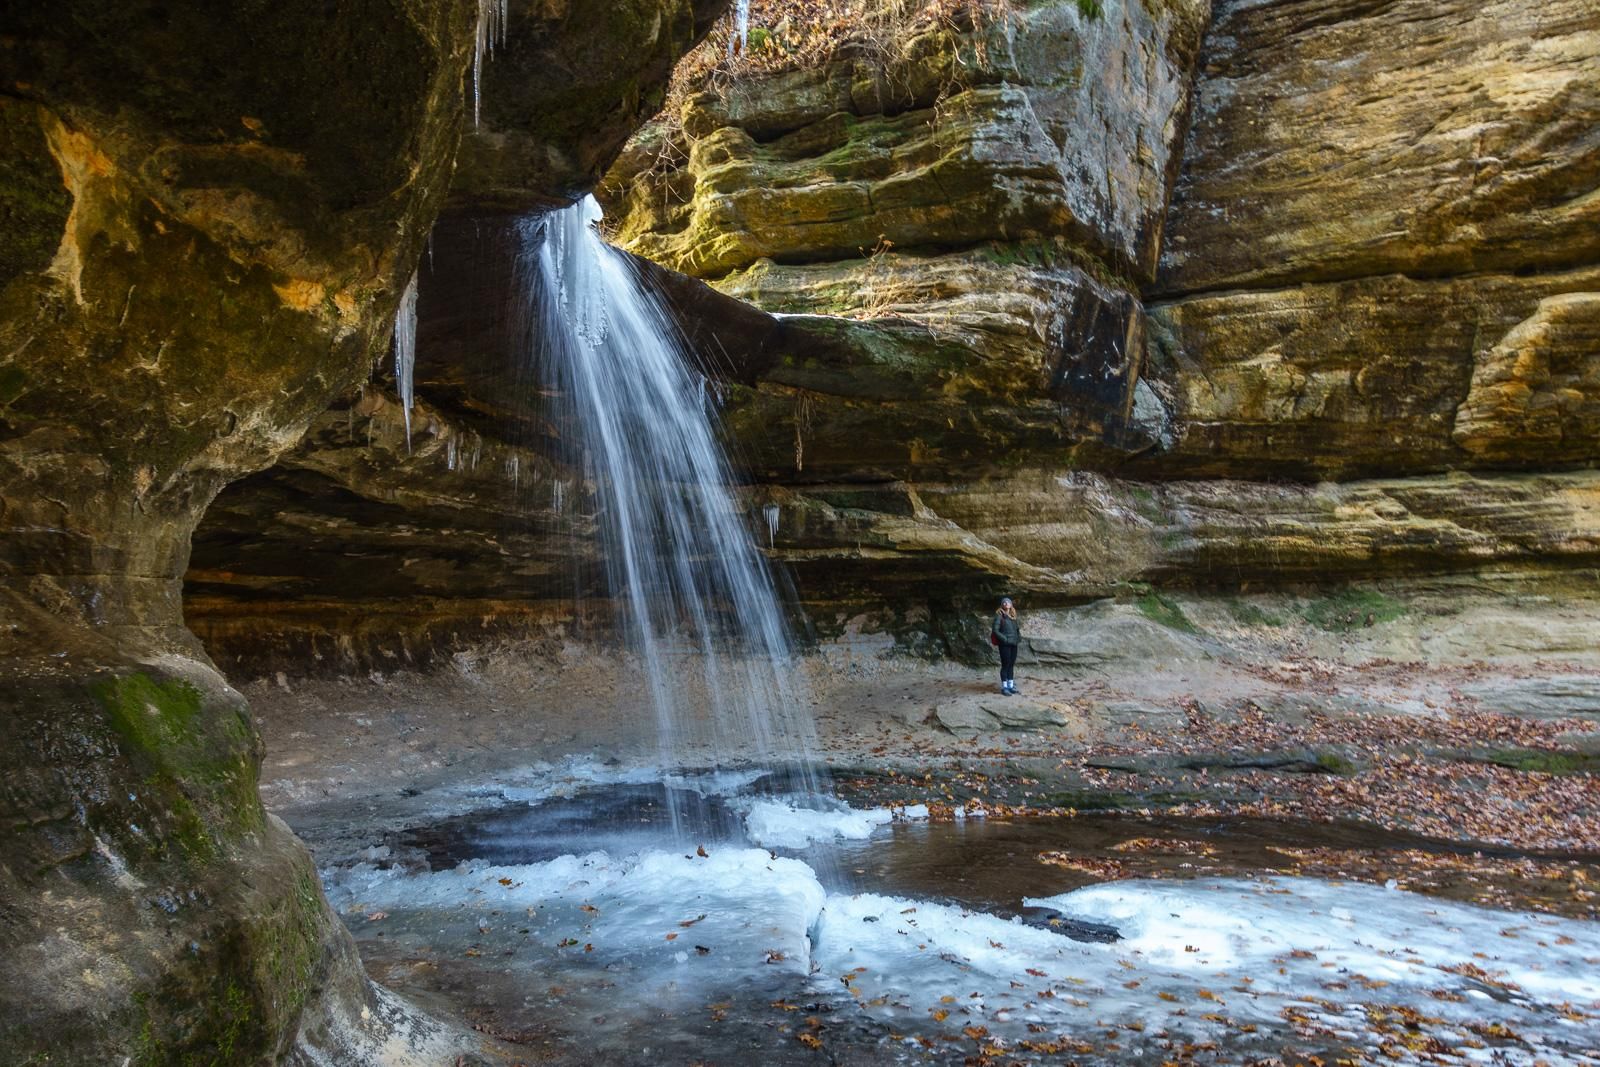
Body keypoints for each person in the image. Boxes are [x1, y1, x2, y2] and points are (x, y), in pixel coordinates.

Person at [991, 596, 1021, 695]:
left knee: (1011, 664)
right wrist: (1005, 639)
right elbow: (995, 630)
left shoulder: (1013, 616)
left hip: (1013, 643)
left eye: (1008, 602)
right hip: (1005, 644)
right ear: (1002, 605)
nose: (1006, 604)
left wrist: (1018, 638)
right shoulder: (999, 616)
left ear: (1011, 604)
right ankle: (1004, 687)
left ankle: (1010, 685)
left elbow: (1017, 629)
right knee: (1005, 665)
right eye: (1004, 602)